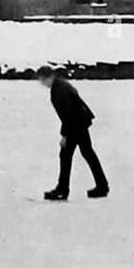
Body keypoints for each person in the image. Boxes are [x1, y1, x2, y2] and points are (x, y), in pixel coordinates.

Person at [37, 67, 109, 200]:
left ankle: (62, 189)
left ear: (47, 77)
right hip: (80, 121)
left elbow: (68, 113)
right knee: (86, 152)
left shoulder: (59, 89)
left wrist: (65, 135)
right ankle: (102, 186)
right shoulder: (60, 84)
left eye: (42, 80)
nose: (42, 84)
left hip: (76, 123)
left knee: (66, 154)